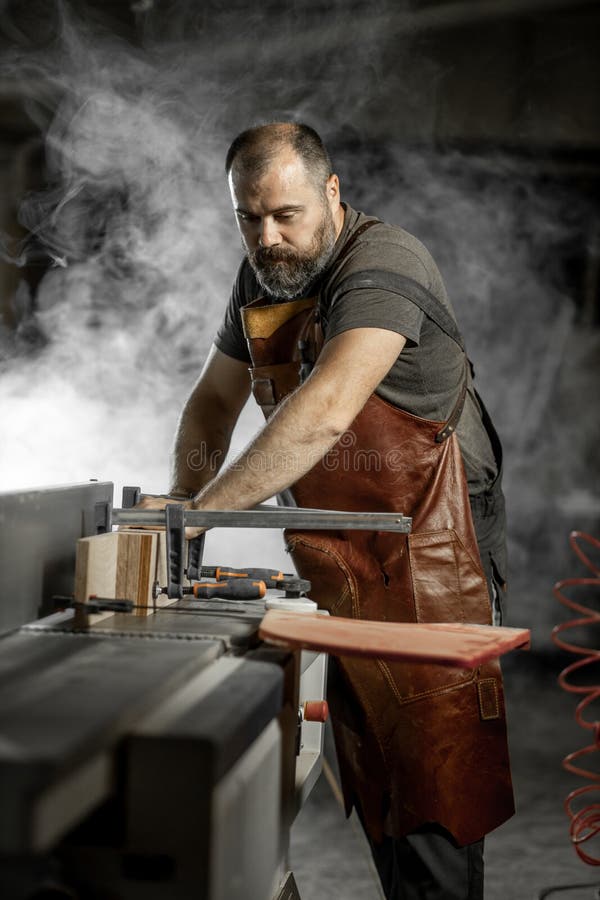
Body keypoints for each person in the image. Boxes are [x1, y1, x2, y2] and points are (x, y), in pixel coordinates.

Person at [139, 122, 514, 900]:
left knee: (432, 787)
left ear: (333, 194)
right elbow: (213, 402)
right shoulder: (264, 279)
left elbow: (326, 409)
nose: (268, 237)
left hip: (433, 558)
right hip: (345, 561)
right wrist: (180, 505)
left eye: (286, 214)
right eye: (249, 218)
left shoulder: (383, 263)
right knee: (377, 774)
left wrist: (203, 515)